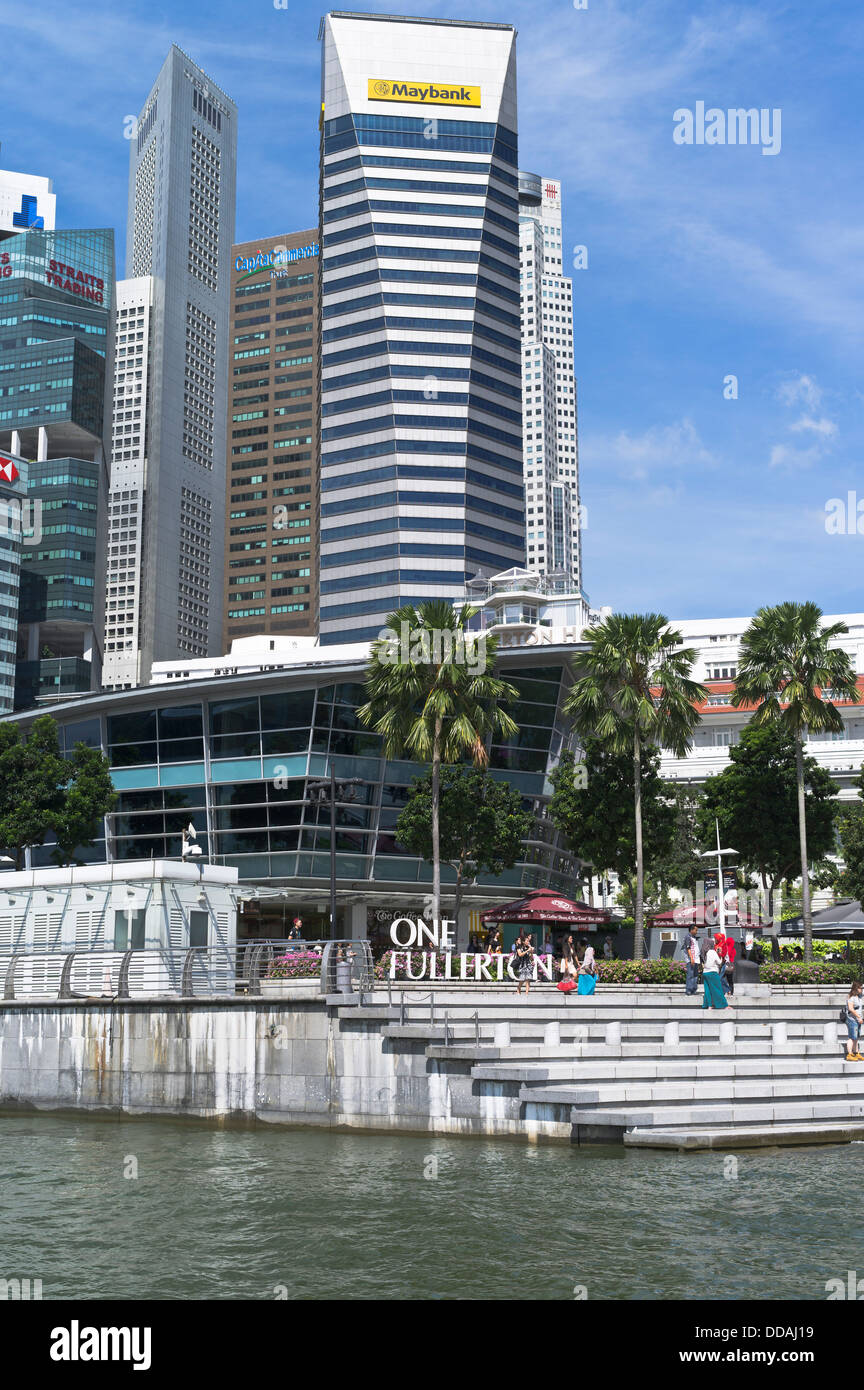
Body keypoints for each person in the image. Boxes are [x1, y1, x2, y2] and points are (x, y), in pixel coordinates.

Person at [702, 937, 731, 1011]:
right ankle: (724, 1005)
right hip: (713, 972)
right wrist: (720, 955)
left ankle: (709, 1006)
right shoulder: (712, 952)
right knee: (718, 989)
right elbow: (719, 963)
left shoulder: (704, 952)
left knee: (707, 990)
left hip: (705, 973)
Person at [513, 929, 535, 997]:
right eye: (527, 941)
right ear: (523, 941)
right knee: (522, 979)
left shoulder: (529, 947)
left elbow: (531, 958)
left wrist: (531, 952)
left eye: (528, 941)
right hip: (522, 964)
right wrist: (527, 951)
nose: (528, 942)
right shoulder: (519, 947)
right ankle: (518, 988)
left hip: (528, 964)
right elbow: (520, 954)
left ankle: (526, 993)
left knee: (528, 979)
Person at [845, 981, 863, 1062]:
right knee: (852, 1037)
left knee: (856, 1037)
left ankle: (856, 1053)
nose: (862, 989)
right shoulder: (851, 997)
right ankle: (849, 1054)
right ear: (856, 988)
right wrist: (859, 1017)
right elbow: (851, 1009)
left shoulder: (859, 997)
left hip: (857, 1020)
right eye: (860, 988)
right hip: (852, 1020)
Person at [683, 924, 700, 997]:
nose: (697, 931)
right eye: (696, 930)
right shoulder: (688, 937)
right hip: (691, 959)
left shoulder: (694, 938)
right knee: (690, 975)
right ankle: (689, 990)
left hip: (696, 959)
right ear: (692, 930)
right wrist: (691, 958)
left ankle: (694, 989)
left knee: (695, 975)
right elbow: (688, 948)